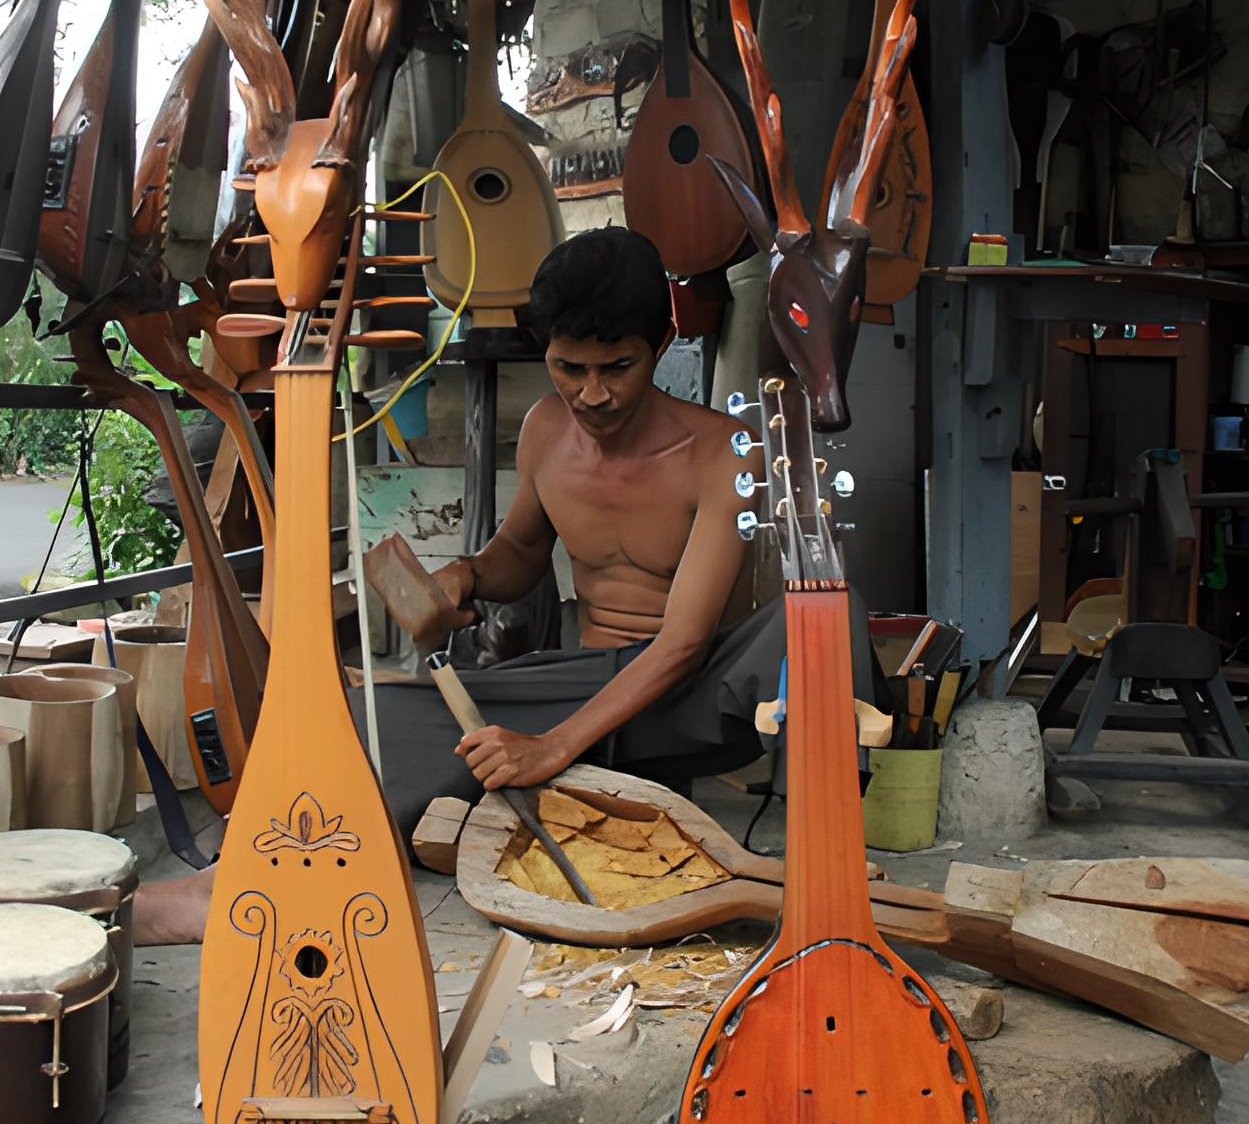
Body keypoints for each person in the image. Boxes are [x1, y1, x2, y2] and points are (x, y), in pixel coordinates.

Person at [135, 227, 811, 945]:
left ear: (663, 340)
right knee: (361, 715)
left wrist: (549, 746)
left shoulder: (718, 455)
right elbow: (520, 549)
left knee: (822, 622)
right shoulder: (548, 429)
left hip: (683, 694)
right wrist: (466, 578)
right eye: (568, 367)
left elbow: (683, 644)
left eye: (617, 367)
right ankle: (235, 882)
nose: (593, 394)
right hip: (572, 684)